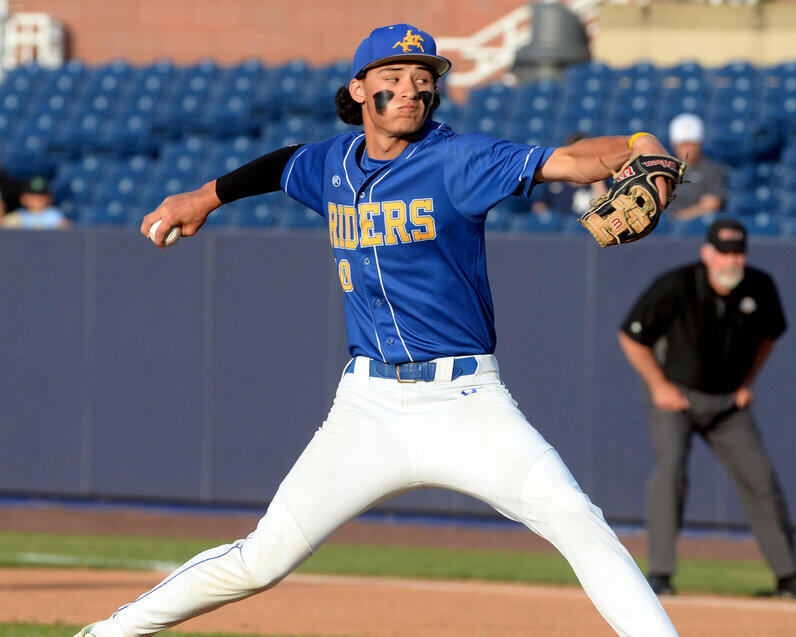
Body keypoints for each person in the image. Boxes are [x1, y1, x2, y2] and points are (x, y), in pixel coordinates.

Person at [74, 24, 680, 637]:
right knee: (260, 561)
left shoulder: (457, 159)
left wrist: (637, 145)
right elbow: (279, 166)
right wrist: (202, 197)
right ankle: (104, 634)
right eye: (393, 79)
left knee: (577, 519)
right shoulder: (329, 164)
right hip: (366, 407)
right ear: (359, 89)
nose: (412, 90)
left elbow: (570, 161)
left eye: (423, 79)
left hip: (466, 403)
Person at [617, 217, 796, 600]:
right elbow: (631, 335)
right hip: (677, 397)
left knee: (761, 479)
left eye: (737, 253)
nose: (731, 261)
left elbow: (770, 336)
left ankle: (790, 577)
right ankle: (659, 573)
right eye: (724, 252)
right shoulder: (677, 285)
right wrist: (659, 386)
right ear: (707, 253)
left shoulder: (759, 287)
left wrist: (747, 383)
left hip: (728, 402)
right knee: (670, 470)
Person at [662, 113, 724, 221]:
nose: (688, 149)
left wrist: (681, 216)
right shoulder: (664, 168)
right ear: (674, 145)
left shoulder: (712, 169)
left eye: (692, 144)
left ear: (700, 144)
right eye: (683, 144)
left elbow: (712, 203)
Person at [530, 134, 608, 218]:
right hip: (559, 229)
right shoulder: (555, 183)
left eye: (585, 155)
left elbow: (606, 208)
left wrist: (597, 180)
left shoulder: (602, 180)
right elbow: (539, 206)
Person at [1, 176, 71, 229]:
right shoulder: (19, 216)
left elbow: (66, 227)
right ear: (23, 199)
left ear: (49, 198)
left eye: (41, 198)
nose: (36, 201)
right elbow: (5, 225)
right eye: (32, 198)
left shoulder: (54, 215)